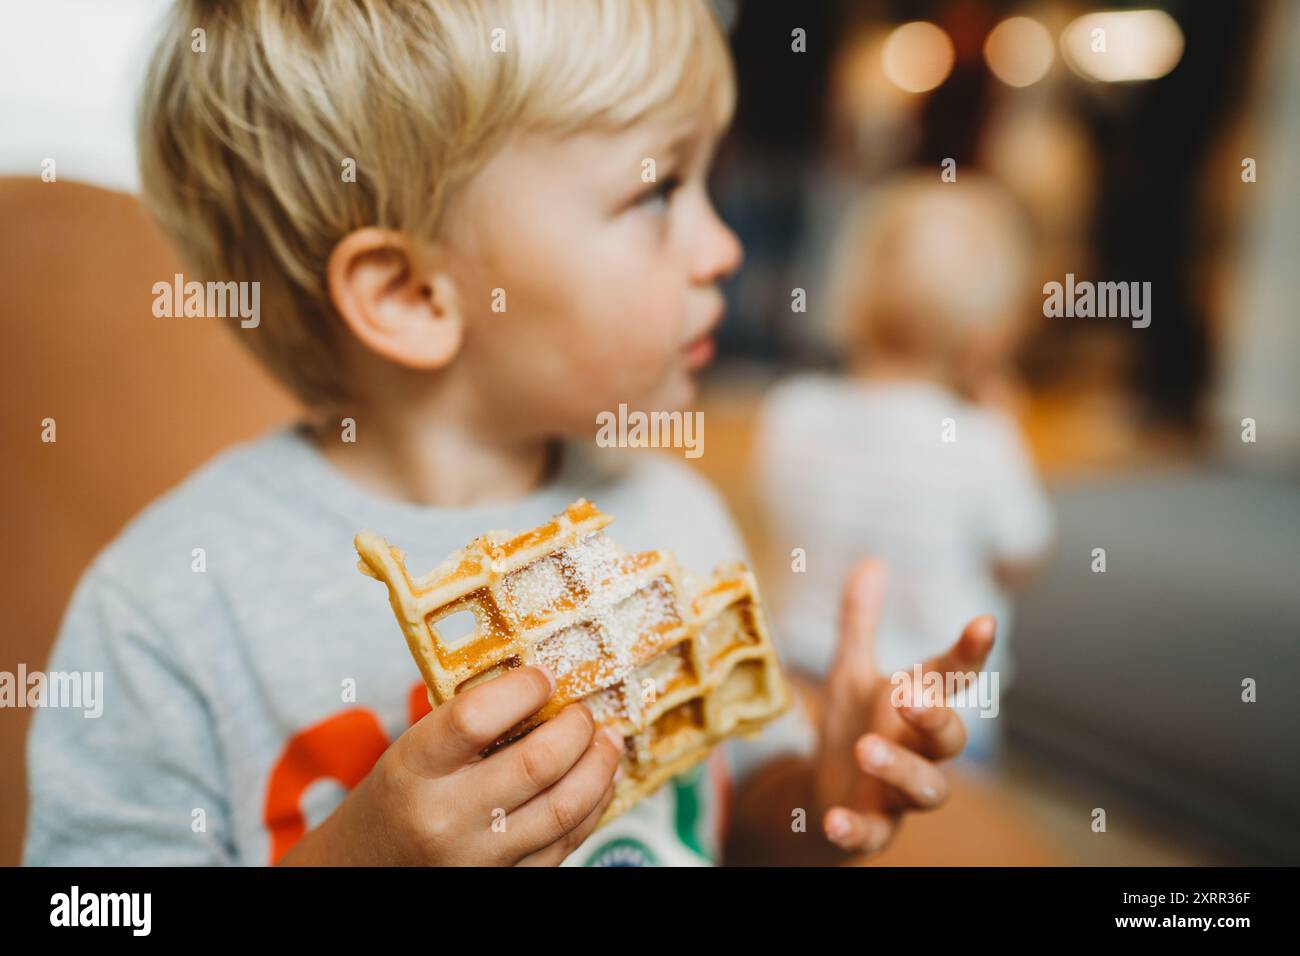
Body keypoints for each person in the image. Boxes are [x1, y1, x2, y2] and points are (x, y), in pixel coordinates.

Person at [25, 0, 994, 867]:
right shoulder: (164, 609)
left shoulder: (675, 516)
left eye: (711, 180)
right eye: (657, 192)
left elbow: (724, 818)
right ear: (410, 295)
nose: (723, 246)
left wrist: (816, 797)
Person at [754, 172, 1052, 766]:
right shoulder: (983, 439)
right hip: (937, 708)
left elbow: (778, 515)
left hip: (806, 684)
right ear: (988, 332)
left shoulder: (792, 410)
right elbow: (1022, 556)